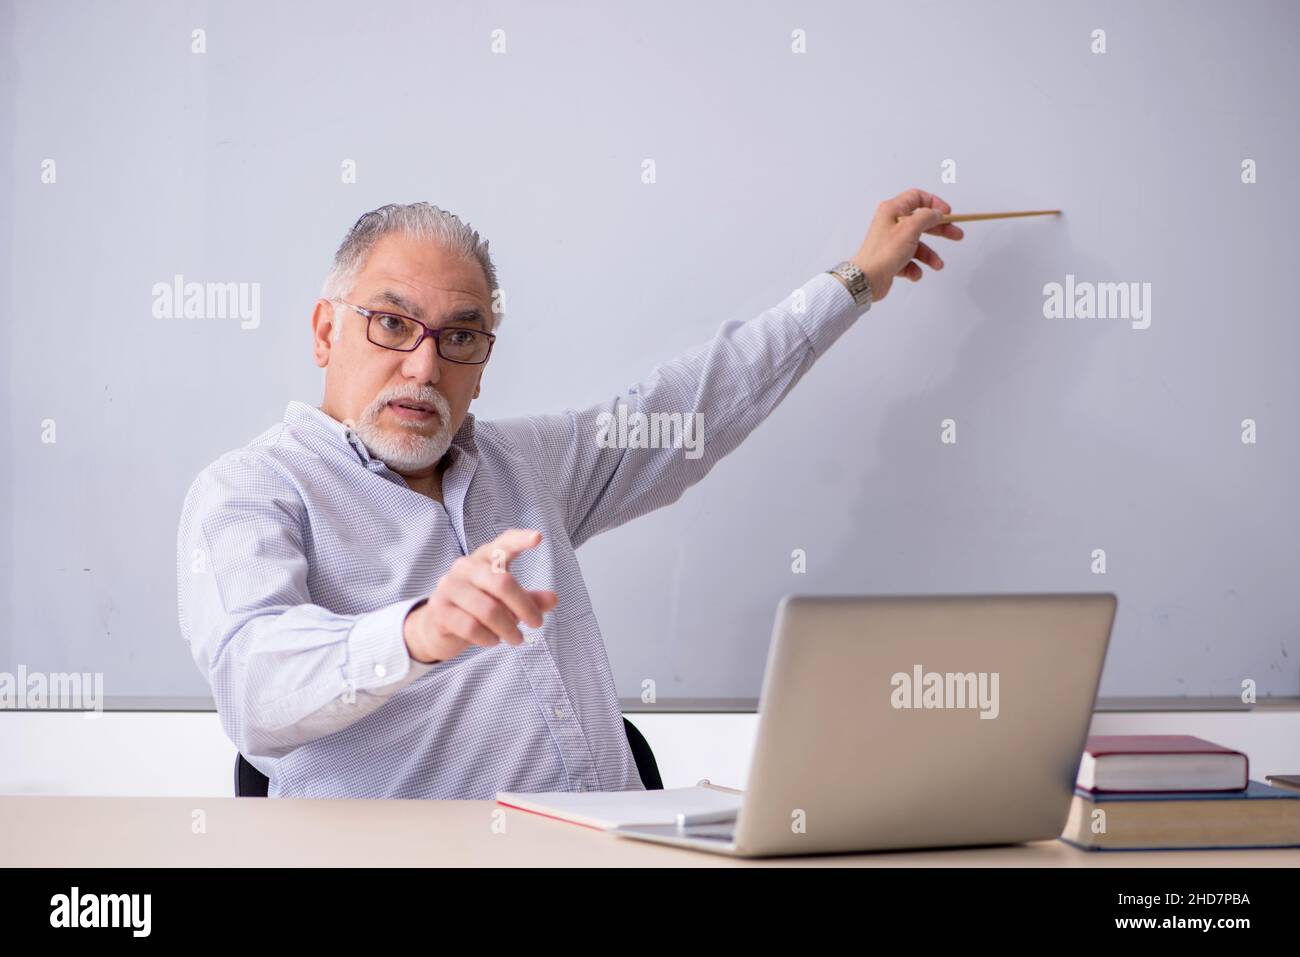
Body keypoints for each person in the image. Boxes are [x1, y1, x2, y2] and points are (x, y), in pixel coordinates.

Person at [176, 190, 964, 798]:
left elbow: (692, 404)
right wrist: (416, 632)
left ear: (483, 360)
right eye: (391, 323)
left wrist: (859, 278)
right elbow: (256, 684)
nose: (423, 366)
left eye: (460, 335)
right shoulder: (252, 489)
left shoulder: (525, 464)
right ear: (325, 331)